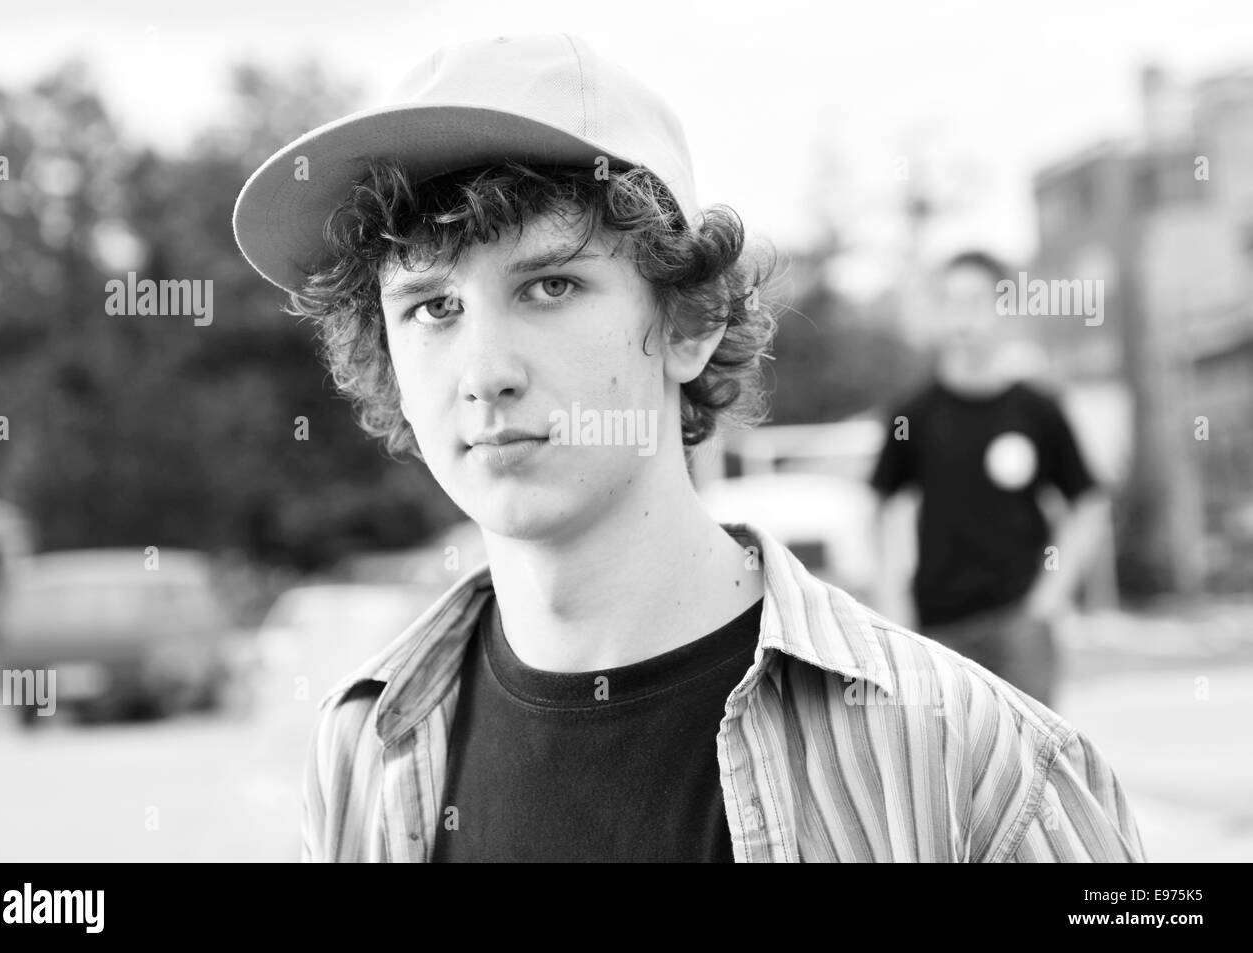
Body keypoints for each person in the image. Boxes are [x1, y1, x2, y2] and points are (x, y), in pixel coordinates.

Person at [233, 33, 1144, 862]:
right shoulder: (364, 750)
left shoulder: (980, 771)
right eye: (432, 307)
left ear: (691, 319)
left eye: (550, 285)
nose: (485, 372)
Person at [870, 250, 1112, 709]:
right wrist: (891, 601)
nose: (964, 317)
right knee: (950, 770)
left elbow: (1089, 502)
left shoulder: (1037, 410)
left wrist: (1049, 597)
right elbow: (878, 507)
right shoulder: (913, 414)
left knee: (1029, 772)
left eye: (977, 301)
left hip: (1020, 624)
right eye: (950, 302)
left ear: (1004, 309)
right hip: (937, 628)